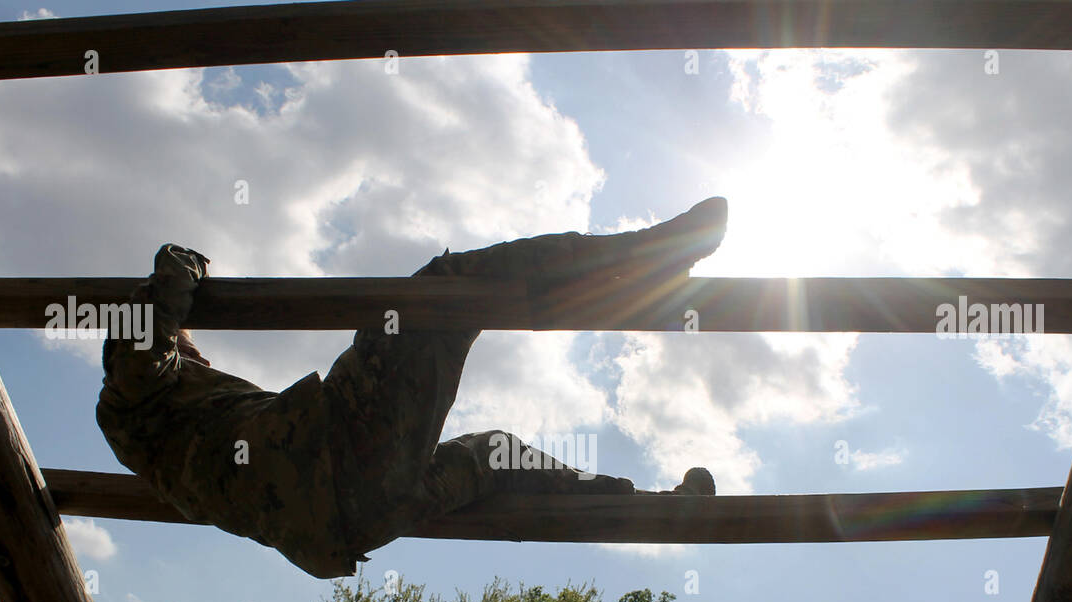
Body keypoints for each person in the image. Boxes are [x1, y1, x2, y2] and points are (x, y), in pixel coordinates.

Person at [96, 198, 728, 579]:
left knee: (494, 455)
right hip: (336, 457)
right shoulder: (130, 400)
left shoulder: (172, 430)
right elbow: (143, 340)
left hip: (364, 518)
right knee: (445, 288)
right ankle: (644, 255)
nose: (190, 346)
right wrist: (179, 265)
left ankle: (654, 507)